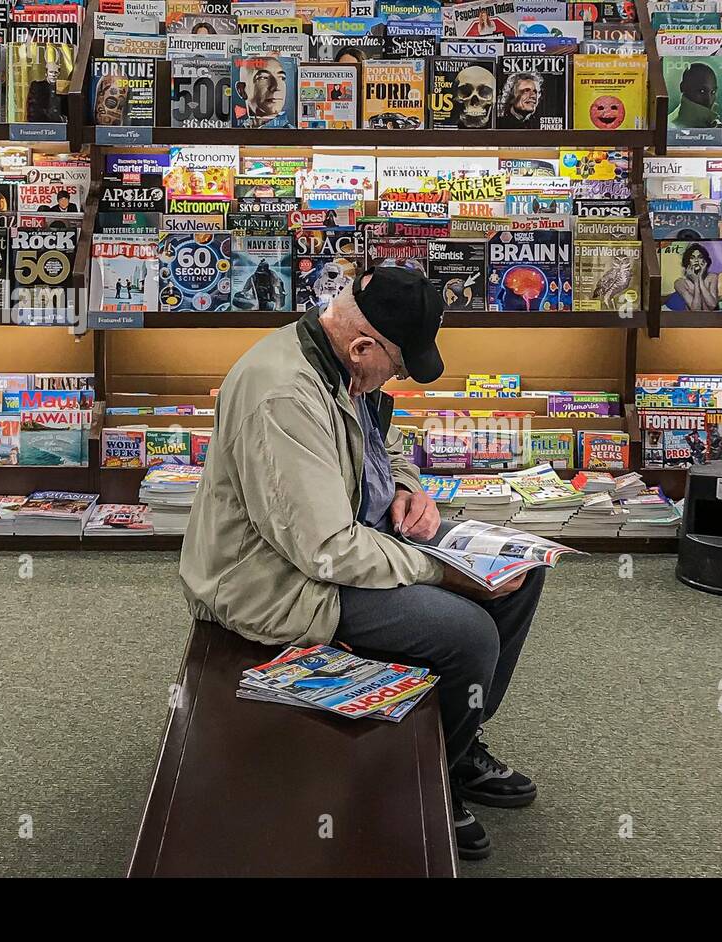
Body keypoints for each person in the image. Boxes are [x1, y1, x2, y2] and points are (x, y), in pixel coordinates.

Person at [180, 267, 544, 861]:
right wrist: (443, 572)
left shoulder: (345, 367)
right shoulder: (284, 395)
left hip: (356, 535)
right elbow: (325, 549)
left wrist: (406, 487)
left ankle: (457, 744)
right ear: (363, 346)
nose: (395, 378)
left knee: (519, 573)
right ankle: (430, 782)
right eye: (398, 367)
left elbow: (384, 445)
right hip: (279, 582)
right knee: (468, 631)